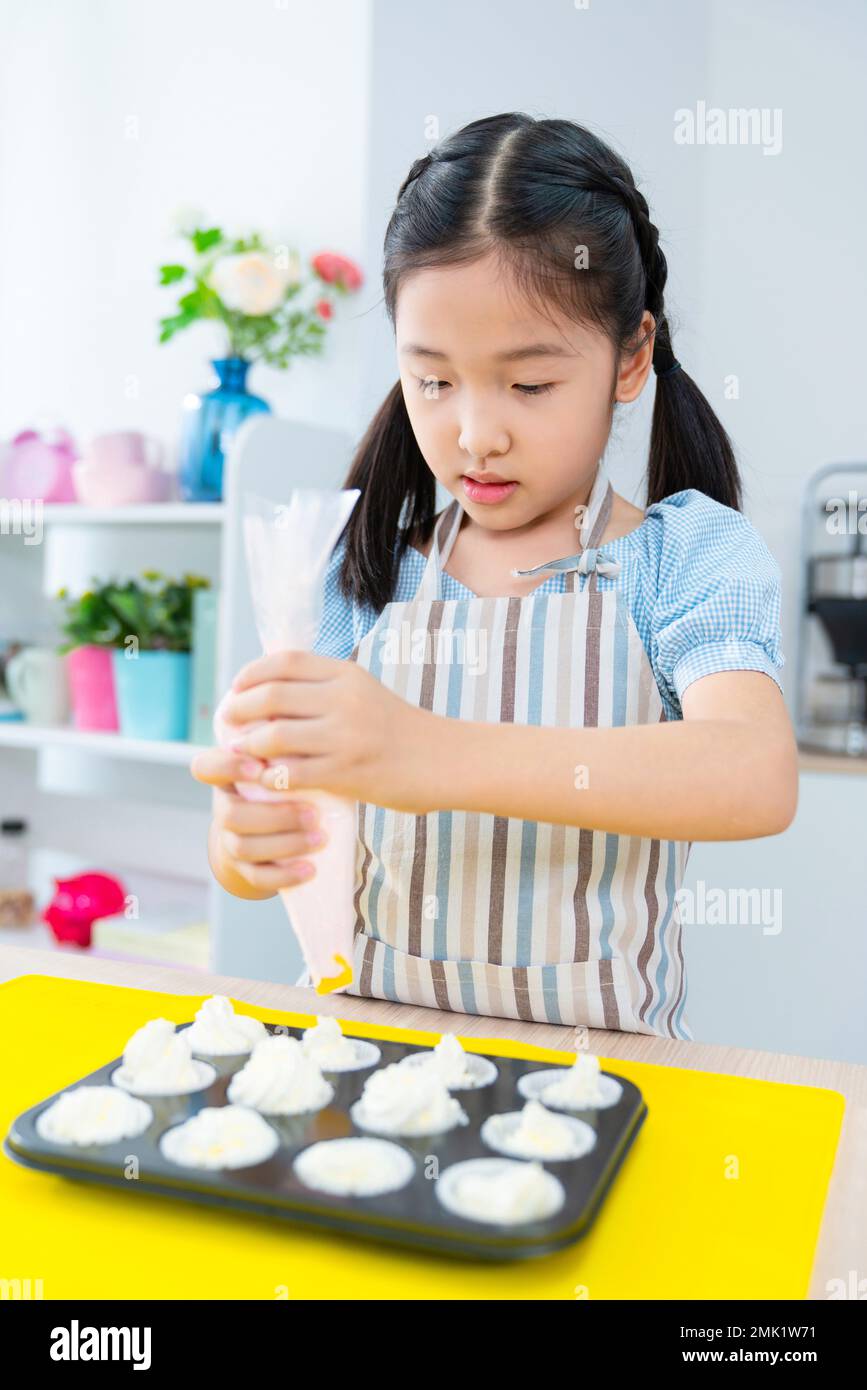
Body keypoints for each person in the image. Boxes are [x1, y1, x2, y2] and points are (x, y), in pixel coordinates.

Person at [192, 113, 797, 1040]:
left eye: (528, 385)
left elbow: (752, 774)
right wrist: (244, 847)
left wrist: (424, 752)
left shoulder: (684, 557)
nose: (475, 432)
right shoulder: (363, 574)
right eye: (433, 380)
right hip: (376, 1071)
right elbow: (287, 827)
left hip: (605, 1084)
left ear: (630, 356)